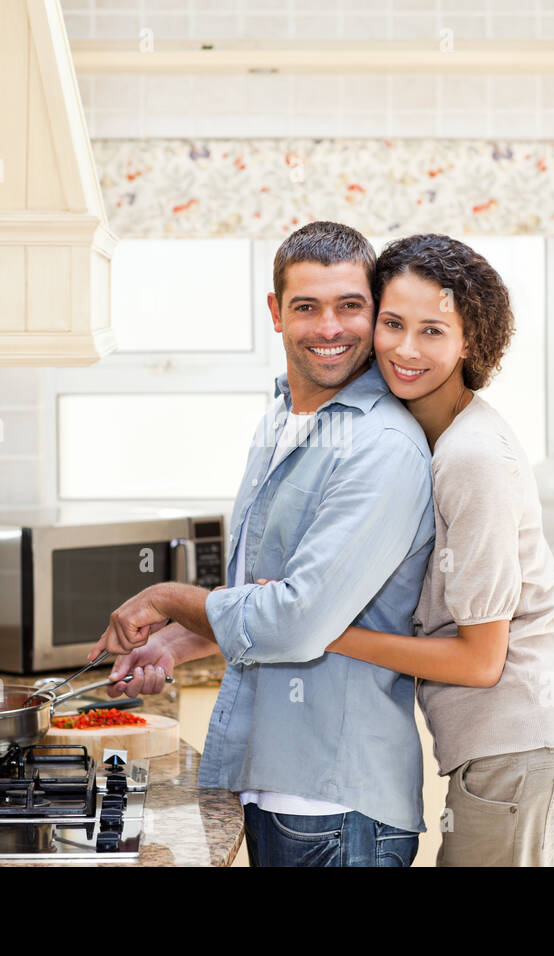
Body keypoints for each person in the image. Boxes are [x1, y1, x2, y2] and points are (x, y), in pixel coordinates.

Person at [89, 220, 436, 867]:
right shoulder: (282, 418)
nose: (328, 327)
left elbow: (297, 622)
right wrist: (178, 640)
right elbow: (263, 599)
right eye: (307, 306)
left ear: (379, 315)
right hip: (276, 787)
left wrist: (167, 596)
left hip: (336, 807)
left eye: (350, 307)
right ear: (276, 313)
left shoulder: (380, 446)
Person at [314, 233, 554, 866]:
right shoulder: (438, 441)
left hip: (521, 763)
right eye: (392, 323)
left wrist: (324, 633)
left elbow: (479, 661)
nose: (405, 349)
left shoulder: (471, 457)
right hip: (510, 766)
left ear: (471, 341)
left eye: (433, 331)